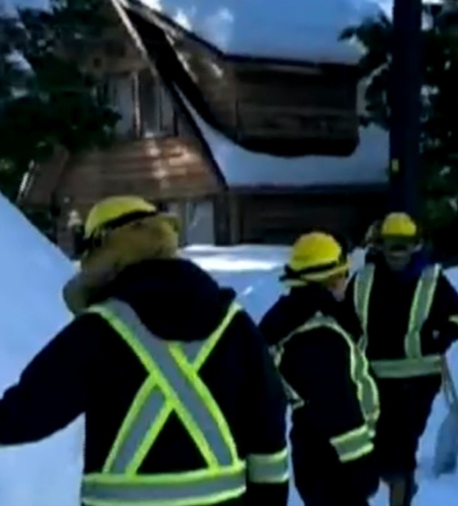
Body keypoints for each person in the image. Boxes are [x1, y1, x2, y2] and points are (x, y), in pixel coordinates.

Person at [0, 195, 290, 506]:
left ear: (104, 252)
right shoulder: (236, 325)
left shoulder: (99, 330)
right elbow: (268, 426)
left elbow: (29, 412)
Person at [349, 212, 458, 506]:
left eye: (403, 245)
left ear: (415, 246)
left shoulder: (432, 279)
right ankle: (401, 485)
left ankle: (401, 493)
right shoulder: (364, 279)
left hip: (418, 380)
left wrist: (445, 334)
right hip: (373, 379)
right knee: (377, 450)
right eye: (392, 245)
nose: (397, 253)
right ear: (380, 246)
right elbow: (346, 320)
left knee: (402, 449)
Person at [259, 232, 380, 506]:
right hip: (333, 463)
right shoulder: (317, 337)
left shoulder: (296, 319)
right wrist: (361, 466)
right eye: (344, 275)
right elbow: (338, 411)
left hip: (316, 452)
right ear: (332, 279)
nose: (346, 283)